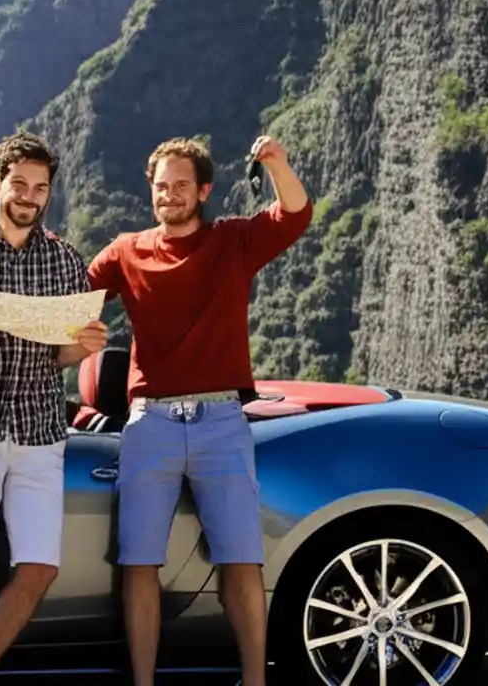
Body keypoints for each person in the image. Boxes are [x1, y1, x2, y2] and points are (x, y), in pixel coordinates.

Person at [86, 135, 311, 686]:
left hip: (221, 422)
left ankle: (254, 681)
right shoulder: (125, 251)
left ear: (203, 191)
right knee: (138, 563)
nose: (170, 194)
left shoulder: (233, 241)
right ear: (151, 189)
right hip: (150, 424)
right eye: (162, 185)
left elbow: (295, 216)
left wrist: (277, 164)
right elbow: (69, 299)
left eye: (181, 185)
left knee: (241, 561)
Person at [0, 131, 109, 686]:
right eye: (20, 184)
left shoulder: (65, 261)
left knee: (39, 567)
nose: (29, 196)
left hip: (39, 430)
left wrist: (86, 345)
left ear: (48, 193)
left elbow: (61, 356)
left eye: (40, 187)